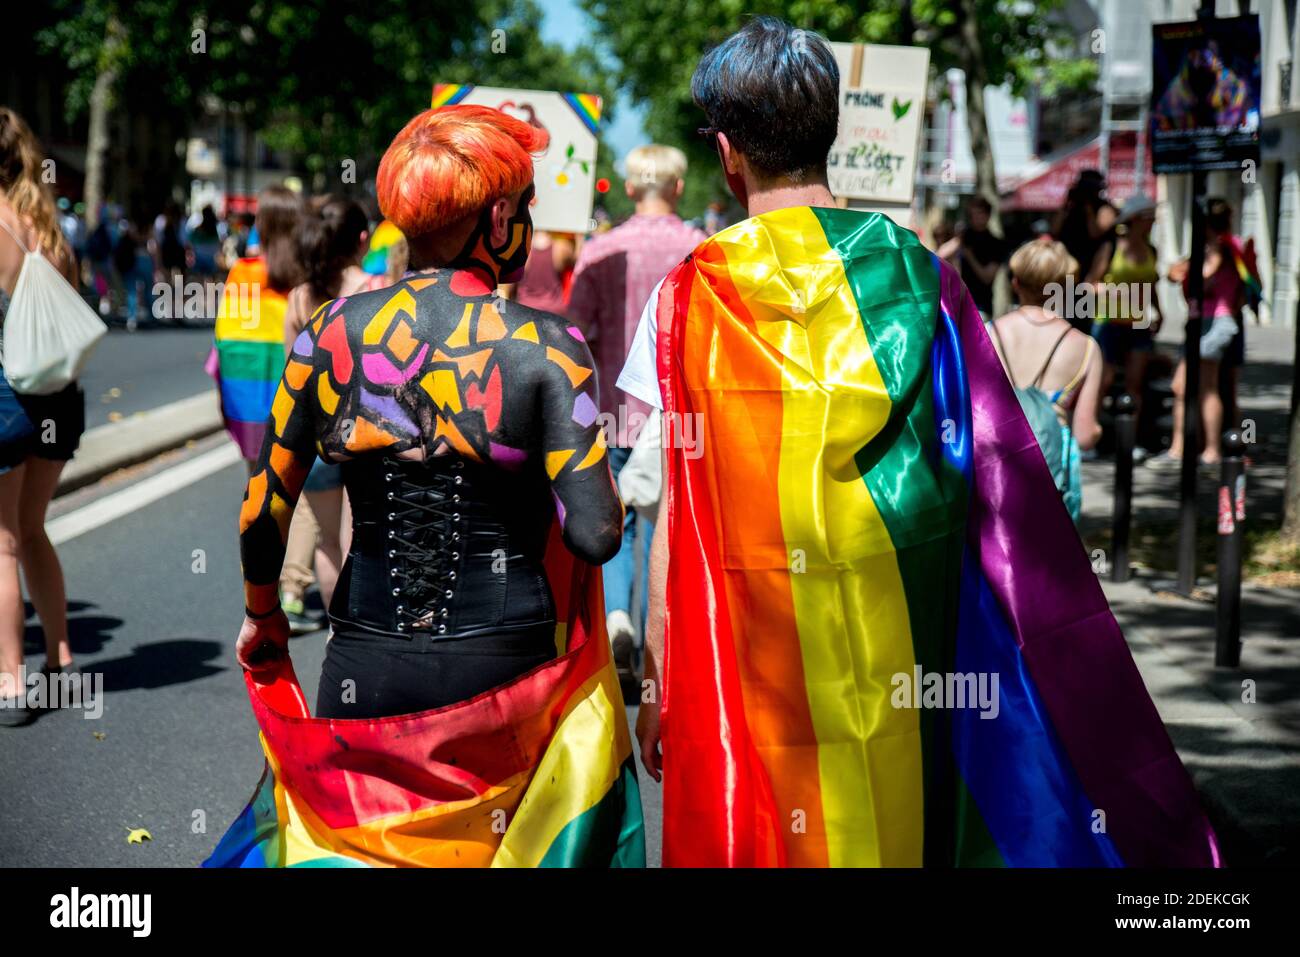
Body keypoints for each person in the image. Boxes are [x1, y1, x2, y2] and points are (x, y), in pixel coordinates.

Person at [618, 16, 1216, 867]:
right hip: (908, 636)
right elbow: (995, 480)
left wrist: (659, 678)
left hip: (752, 654)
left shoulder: (688, 299)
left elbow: (675, 501)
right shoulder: (920, 274)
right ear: (833, 136)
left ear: (727, 154)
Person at [234, 104, 623, 722]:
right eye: (525, 207)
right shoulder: (549, 349)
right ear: (498, 219)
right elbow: (597, 535)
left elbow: (261, 511)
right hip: (508, 676)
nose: (526, 221)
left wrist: (262, 614)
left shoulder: (326, 335)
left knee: (362, 823)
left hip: (364, 664)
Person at [567, 144, 706, 675]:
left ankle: (618, 616)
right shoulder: (703, 249)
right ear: (676, 188)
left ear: (629, 188)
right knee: (667, 521)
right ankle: (657, 645)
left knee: (618, 517)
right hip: (680, 412)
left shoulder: (601, 251)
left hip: (614, 408)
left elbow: (576, 333)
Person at [0, 108, 88, 726]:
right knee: (31, 530)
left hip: (5, 398)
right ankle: (61, 660)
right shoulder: (47, 226)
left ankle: (9, 679)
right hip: (59, 400)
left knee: (1, 544)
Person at [276, 197, 374, 632]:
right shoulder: (376, 291)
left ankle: (339, 627)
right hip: (367, 434)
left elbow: (291, 379)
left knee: (327, 541)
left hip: (315, 438)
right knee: (359, 540)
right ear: (362, 240)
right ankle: (363, 627)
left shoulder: (299, 299)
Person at [987, 239, 1102, 521]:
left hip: (994, 470)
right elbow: (1085, 437)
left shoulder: (987, 335)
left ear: (1015, 282)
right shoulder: (1086, 347)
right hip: (1051, 478)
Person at [1151, 197, 1252, 470]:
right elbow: (1177, 275)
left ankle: (1210, 450)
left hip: (1216, 323)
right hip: (1207, 323)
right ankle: (1192, 447)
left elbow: (1205, 278)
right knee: (1192, 387)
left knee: (1206, 388)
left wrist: (1186, 269)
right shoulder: (1215, 248)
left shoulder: (1223, 248)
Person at [211, 185, 303, 468]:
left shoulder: (243, 272)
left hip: (249, 397)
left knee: (258, 480)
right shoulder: (306, 271)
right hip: (298, 397)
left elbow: (228, 339)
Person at [1093, 194, 1163, 432]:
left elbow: (1151, 286)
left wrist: (1159, 310)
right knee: (1103, 380)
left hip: (1138, 323)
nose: (1153, 221)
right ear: (1135, 219)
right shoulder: (1111, 247)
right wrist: (1114, 293)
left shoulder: (1152, 250)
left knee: (1135, 382)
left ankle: (1129, 438)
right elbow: (1088, 283)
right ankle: (1091, 431)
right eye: (1149, 216)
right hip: (1109, 322)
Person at [1052, 169, 1117, 334]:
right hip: (1066, 274)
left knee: (1084, 323)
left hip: (1090, 276)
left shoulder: (1104, 208)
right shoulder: (1071, 207)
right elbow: (1054, 230)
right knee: (1062, 322)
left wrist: (1088, 210)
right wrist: (1066, 204)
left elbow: (1096, 232)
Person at [946, 196, 1008, 320]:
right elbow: (941, 255)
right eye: (972, 214)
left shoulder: (996, 243)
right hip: (958, 303)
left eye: (979, 213)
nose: (975, 218)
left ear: (987, 215)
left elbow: (987, 277)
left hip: (980, 306)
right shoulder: (964, 237)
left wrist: (969, 256)